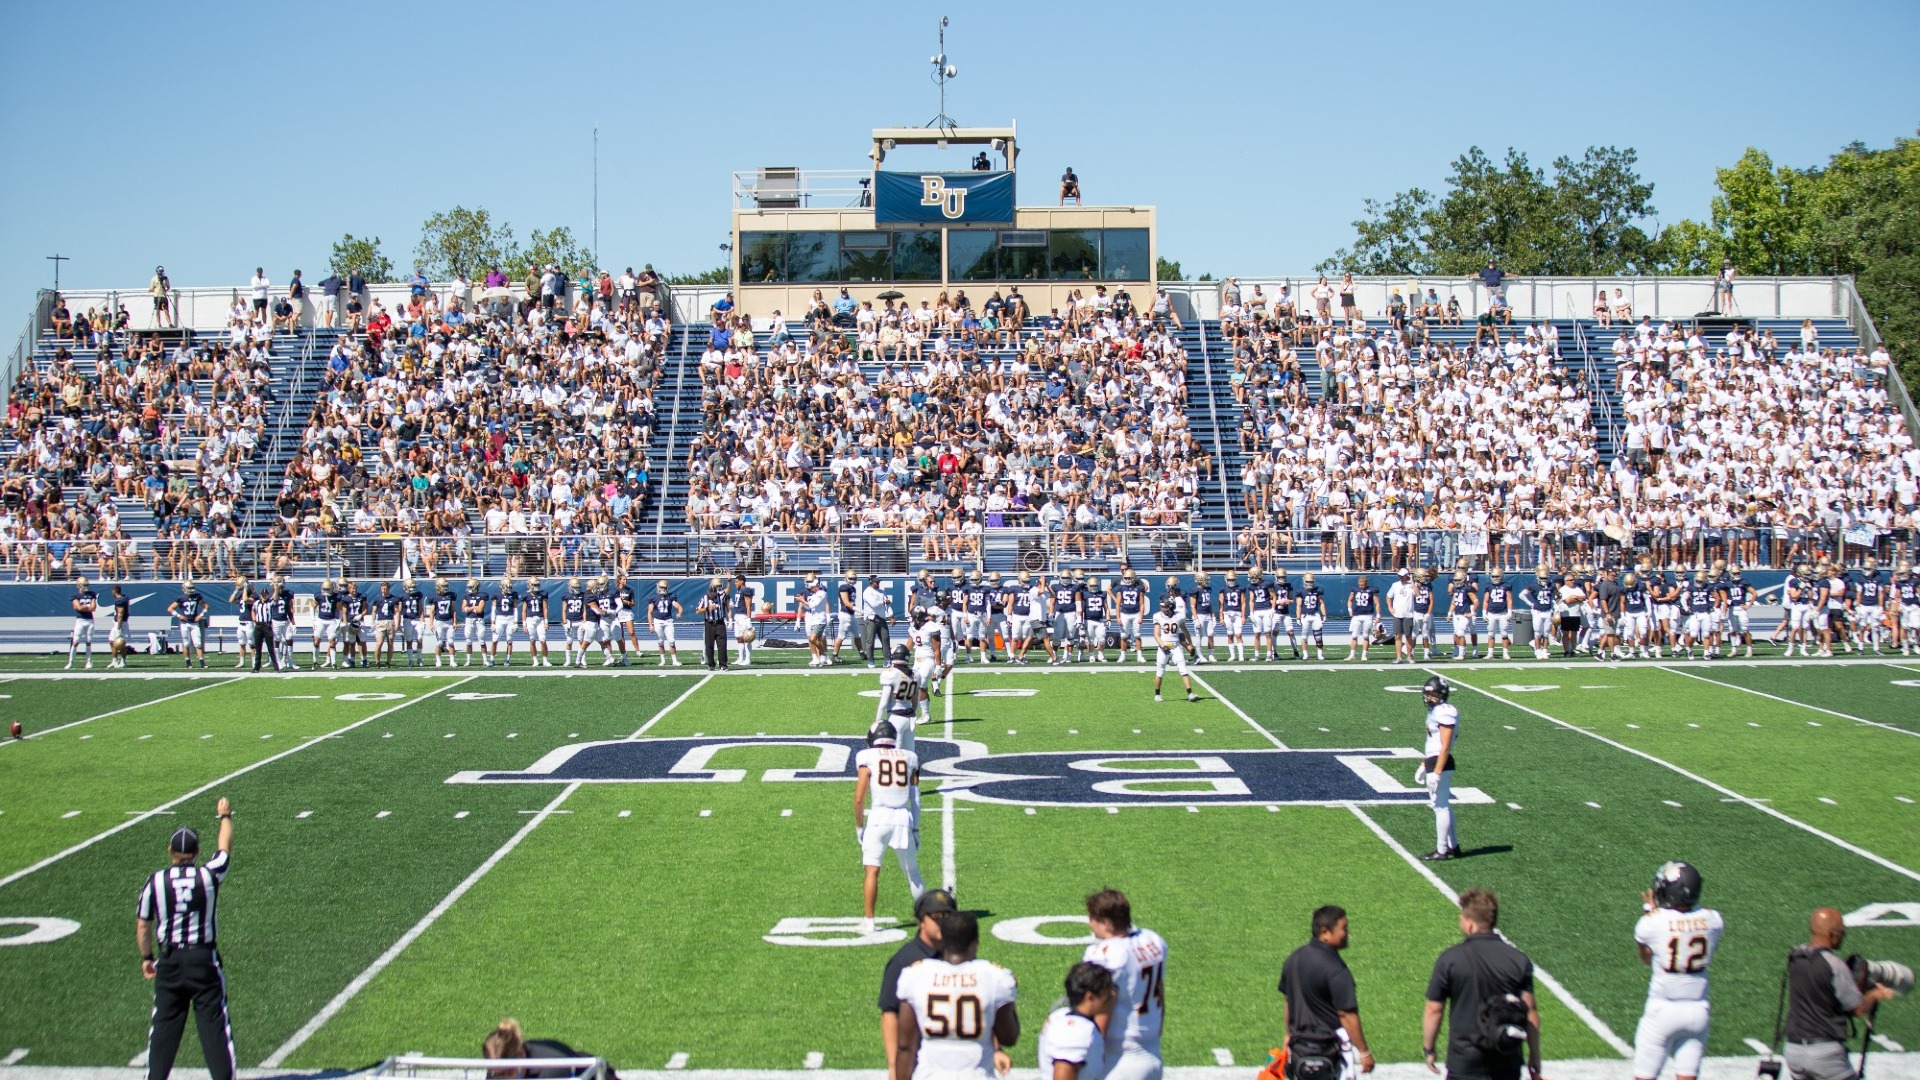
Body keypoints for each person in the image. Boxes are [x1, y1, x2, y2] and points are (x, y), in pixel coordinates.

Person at [136, 796, 236, 1080]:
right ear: (197, 851)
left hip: (169, 961)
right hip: (203, 959)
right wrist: (225, 817)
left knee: (164, 1028)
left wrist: (147, 958)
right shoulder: (208, 875)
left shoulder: (155, 882)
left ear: (170, 850)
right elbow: (225, 851)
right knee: (214, 1027)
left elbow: (143, 926)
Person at [1423, 888, 1542, 1080]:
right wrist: (1535, 1055)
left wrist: (1429, 1049)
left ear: (1469, 924)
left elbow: (1434, 1009)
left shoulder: (1450, 959)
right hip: (1506, 1059)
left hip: (1465, 1061)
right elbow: (1530, 1011)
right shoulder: (1518, 960)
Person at [893, 911, 1020, 1080]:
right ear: (975, 944)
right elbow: (1009, 1037)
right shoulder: (994, 976)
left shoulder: (917, 975)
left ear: (942, 941)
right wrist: (1007, 1002)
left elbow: (905, 1046)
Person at [1781, 907, 1898, 1080]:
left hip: (1793, 1051)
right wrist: (1874, 995)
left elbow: (1820, 993)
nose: (1843, 935)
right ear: (1831, 934)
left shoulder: (1796, 958)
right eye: (1840, 931)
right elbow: (1858, 1009)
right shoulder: (1835, 965)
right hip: (1824, 1055)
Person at [1632, 862, 1723, 1080]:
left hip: (1663, 1010)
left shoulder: (1651, 923)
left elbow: (1646, 958)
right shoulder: (1714, 920)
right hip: (1698, 1010)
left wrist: (1650, 912)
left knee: (1644, 1076)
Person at [1279, 905, 1376, 1080]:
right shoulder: (1336, 969)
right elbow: (1346, 1014)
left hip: (1298, 1049)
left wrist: (1287, 1035)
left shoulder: (1293, 959)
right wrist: (1363, 1051)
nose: (1347, 934)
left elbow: (1288, 1002)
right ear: (1325, 932)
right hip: (1327, 1050)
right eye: (1343, 929)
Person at [1082, 889, 1165, 1080]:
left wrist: (1091, 1052)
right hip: (1152, 1050)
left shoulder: (1106, 955)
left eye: (1092, 918)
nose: (1089, 923)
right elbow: (1161, 992)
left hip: (1119, 1059)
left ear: (1106, 923)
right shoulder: (1153, 941)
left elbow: (1103, 1007)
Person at [855, 720, 926, 934]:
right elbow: (916, 797)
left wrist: (859, 827)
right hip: (903, 818)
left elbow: (859, 798)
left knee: (872, 870)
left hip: (878, 818)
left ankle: (869, 921)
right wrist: (916, 828)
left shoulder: (866, 757)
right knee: (912, 871)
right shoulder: (909, 757)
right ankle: (925, 919)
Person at [880, 890, 960, 1075]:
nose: (943, 923)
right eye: (937, 917)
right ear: (921, 921)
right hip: (921, 1063)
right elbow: (890, 1013)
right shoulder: (904, 960)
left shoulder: (959, 956)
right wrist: (894, 1065)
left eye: (948, 916)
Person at [1039, 962, 1119, 1080]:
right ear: (1090, 997)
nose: (1112, 995)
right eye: (1106, 992)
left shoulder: (1063, 1017)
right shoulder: (1075, 1032)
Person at [1417, 675, 1461, 861]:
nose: (1429, 698)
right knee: (1443, 806)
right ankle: (1454, 845)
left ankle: (1442, 850)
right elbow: (1433, 743)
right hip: (1434, 760)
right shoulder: (1435, 711)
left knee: (1440, 806)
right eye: (1428, 694)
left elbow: (1444, 745)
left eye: (1433, 694)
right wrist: (1423, 764)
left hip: (1440, 762)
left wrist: (1436, 772)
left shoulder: (1445, 711)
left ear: (1442, 695)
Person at [480, 1017, 611, 1079]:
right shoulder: (496, 1070)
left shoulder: (555, 1071)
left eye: (507, 1073)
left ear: (520, 1055)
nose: (502, 1079)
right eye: (496, 1074)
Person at [1151, 596, 1199, 704]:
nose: (1162, 608)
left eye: (1164, 606)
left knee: (1183, 669)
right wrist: (1162, 645)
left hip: (1176, 646)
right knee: (1160, 672)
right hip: (1163, 647)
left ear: (1170, 607)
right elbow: (1156, 634)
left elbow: (1184, 631)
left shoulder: (1179, 617)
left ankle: (1190, 693)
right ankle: (1157, 694)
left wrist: (1189, 645)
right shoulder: (1158, 616)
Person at [697, 576, 730, 670]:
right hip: (709, 623)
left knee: (722, 644)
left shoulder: (721, 596)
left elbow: (727, 591)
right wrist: (707, 609)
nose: (713, 595)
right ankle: (711, 664)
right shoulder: (704, 598)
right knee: (709, 645)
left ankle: (723, 665)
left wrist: (729, 580)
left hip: (720, 622)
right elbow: (697, 611)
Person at [67, 575, 99, 669]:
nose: (86, 586)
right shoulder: (75, 596)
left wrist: (84, 607)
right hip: (80, 620)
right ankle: (70, 662)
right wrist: (87, 607)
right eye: (84, 584)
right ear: (79, 585)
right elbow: (79, 607)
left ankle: (88, 662)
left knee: (88, 642)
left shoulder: (92, 594)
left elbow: (93, 608)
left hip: (89, 620)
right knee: (75, 642)